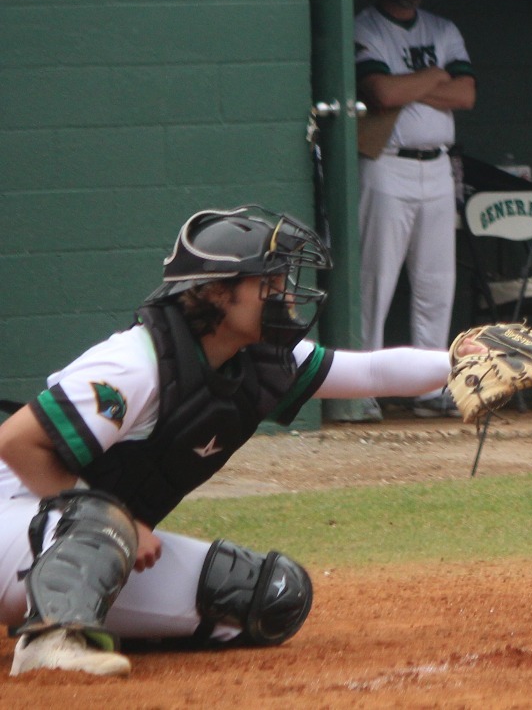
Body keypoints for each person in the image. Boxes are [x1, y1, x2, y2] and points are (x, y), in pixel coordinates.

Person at [0, 207, 502, 677]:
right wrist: (119, 520)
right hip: (14, 519)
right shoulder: (135, 363)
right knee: (103, 519)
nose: (286, 294)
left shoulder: (258, 358)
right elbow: (16, 442)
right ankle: (50, 641)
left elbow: (369, 370)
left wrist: (458, 363)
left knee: (261, 597)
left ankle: (76, 614)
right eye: (270, 282)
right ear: (219, 293)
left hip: (63, 549)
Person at [352, 0, 475, 419]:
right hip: (387, 164)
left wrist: (413, 88)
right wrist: (436, 78)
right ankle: (359, 389)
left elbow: (466, 94)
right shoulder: (366, 28)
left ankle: (428, 387)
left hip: (438, 166)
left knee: (436, 284)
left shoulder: (442, 28)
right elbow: (381, 91)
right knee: (374, 282)